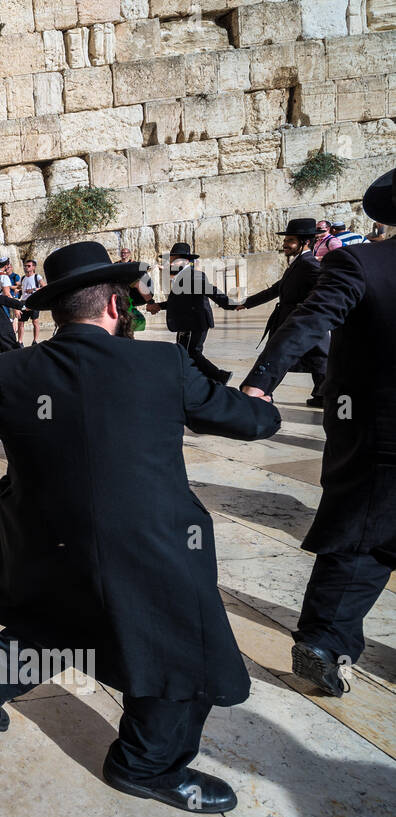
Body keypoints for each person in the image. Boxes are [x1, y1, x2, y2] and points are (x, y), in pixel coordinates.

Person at [0, 241, 280, 813]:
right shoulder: (161, 364)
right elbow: (250, 423)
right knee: (180, 656)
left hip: (52, 540)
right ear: (113, 306)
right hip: (149, 545)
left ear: (60, 310)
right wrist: (260, 400)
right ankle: (144, 765)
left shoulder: (13, 370)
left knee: (74, 612)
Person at [241, 168, 396, 700]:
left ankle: (325, 643)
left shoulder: (359, 262)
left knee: (361, 536)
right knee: (365, 536)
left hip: (375, 431)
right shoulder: (355, 261)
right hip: (378, 433)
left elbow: (310, 320)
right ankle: (325, 642)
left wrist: (261, 382)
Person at [236, 217, 327, 408]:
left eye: (290, 241)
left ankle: (262, 392)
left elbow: (327, 286)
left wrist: (310, 309)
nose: (285, 244)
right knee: (317, 358)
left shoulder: (309, 264)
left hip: (301, 321)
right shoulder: (298, 262)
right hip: (293, 319)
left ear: (305, 242)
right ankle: (322, 395)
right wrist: (246, 303)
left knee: (281, 356)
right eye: (285, 241)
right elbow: (276, 289)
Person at [146, 242, 236, 384]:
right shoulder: (182, 276)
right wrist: (158, 305)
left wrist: (229, 304)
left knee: (191, 353)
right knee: (185, 352)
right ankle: (195, 380)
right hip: (188, 321)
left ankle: (219, 376)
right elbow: (177, 302)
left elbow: (211, 291)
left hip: (194, 322)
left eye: (173, 259)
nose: (171, 263)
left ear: (185, 260)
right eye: (171, 260)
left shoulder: (194, 276)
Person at [16, 259, 46, 345]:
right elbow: (21, 288)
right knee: (20, 322)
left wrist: (33, 290)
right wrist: (17, 290)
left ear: (33, 267)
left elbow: (44, 287)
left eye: (28, 266)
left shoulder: (37, 277)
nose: (26, 268)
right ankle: (20, 341)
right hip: (24, 301)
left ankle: (35, 341)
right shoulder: (23, 278)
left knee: (35, 321)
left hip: (34, 301)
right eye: (25, 266)